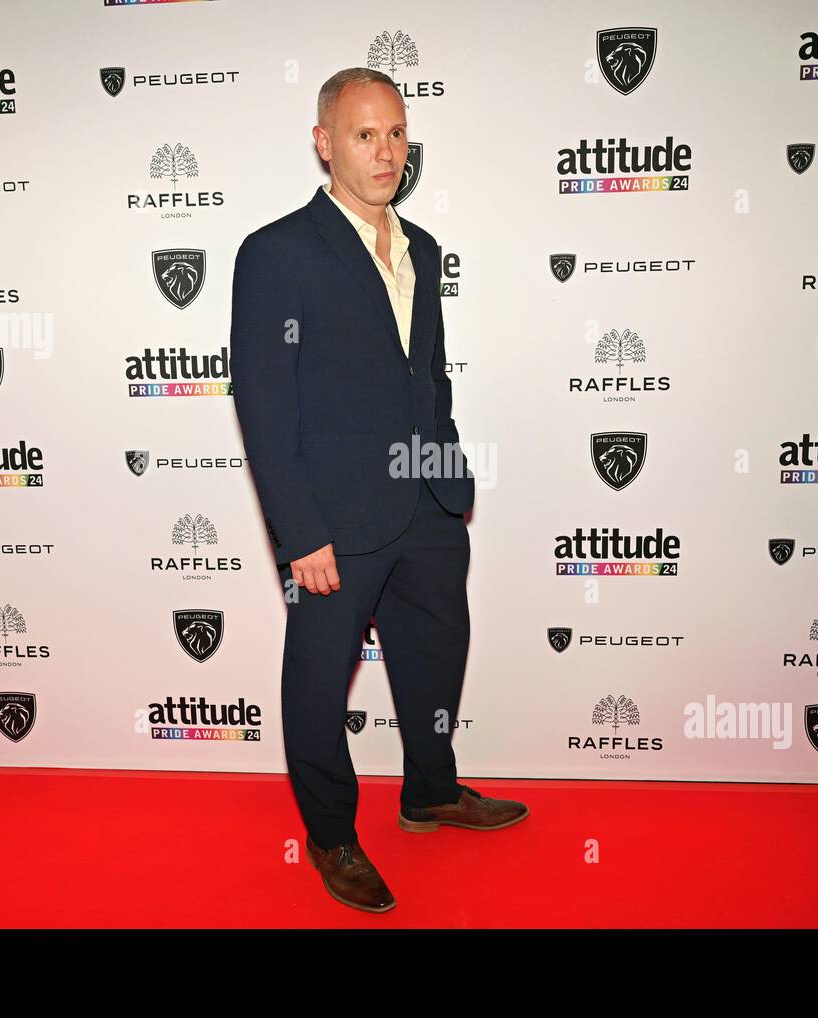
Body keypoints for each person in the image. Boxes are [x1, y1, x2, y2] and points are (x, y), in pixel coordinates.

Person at [228, 67, 528, 914]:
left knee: (437, 659)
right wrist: (298, 531)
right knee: (320, 685)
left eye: (396, 134)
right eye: (365, 134)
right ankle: (330, 836)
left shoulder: (422, 249)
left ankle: (431, 790)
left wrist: (450, 477)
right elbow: (264, 400)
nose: (385, 150)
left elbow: (427, 379)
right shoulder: (277, 252)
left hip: (427, 506)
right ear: (325, 143)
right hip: (334, 524)